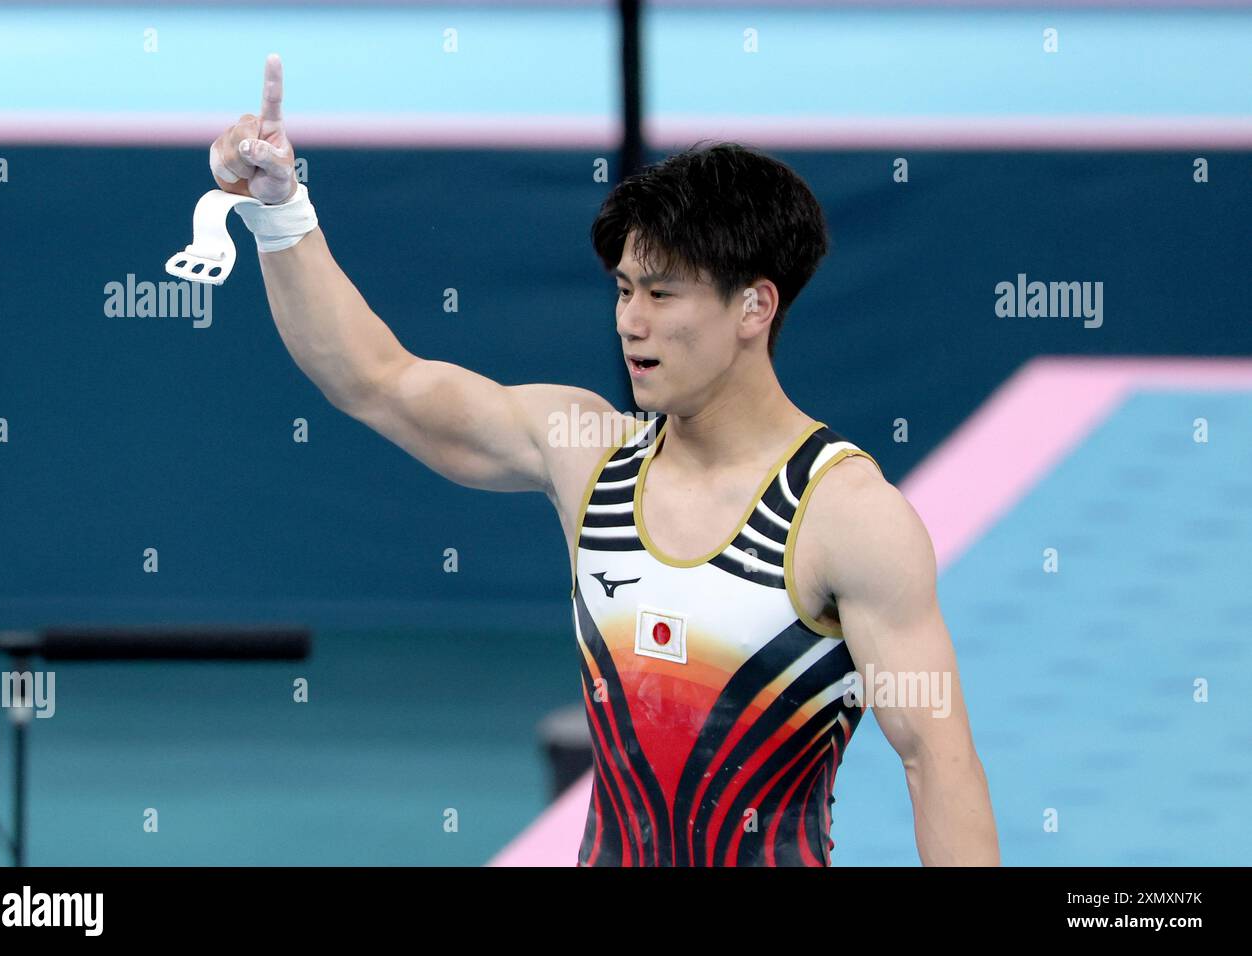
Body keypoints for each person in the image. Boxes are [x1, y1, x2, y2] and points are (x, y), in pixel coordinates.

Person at [209, 54, 1000, 866]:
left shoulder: (847, 517)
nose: (630, 321)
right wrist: (280, 211)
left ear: (754, 307)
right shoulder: (588, 454)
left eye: (662, 295)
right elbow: (378, 381)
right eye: (623, 290)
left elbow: (939, 766)